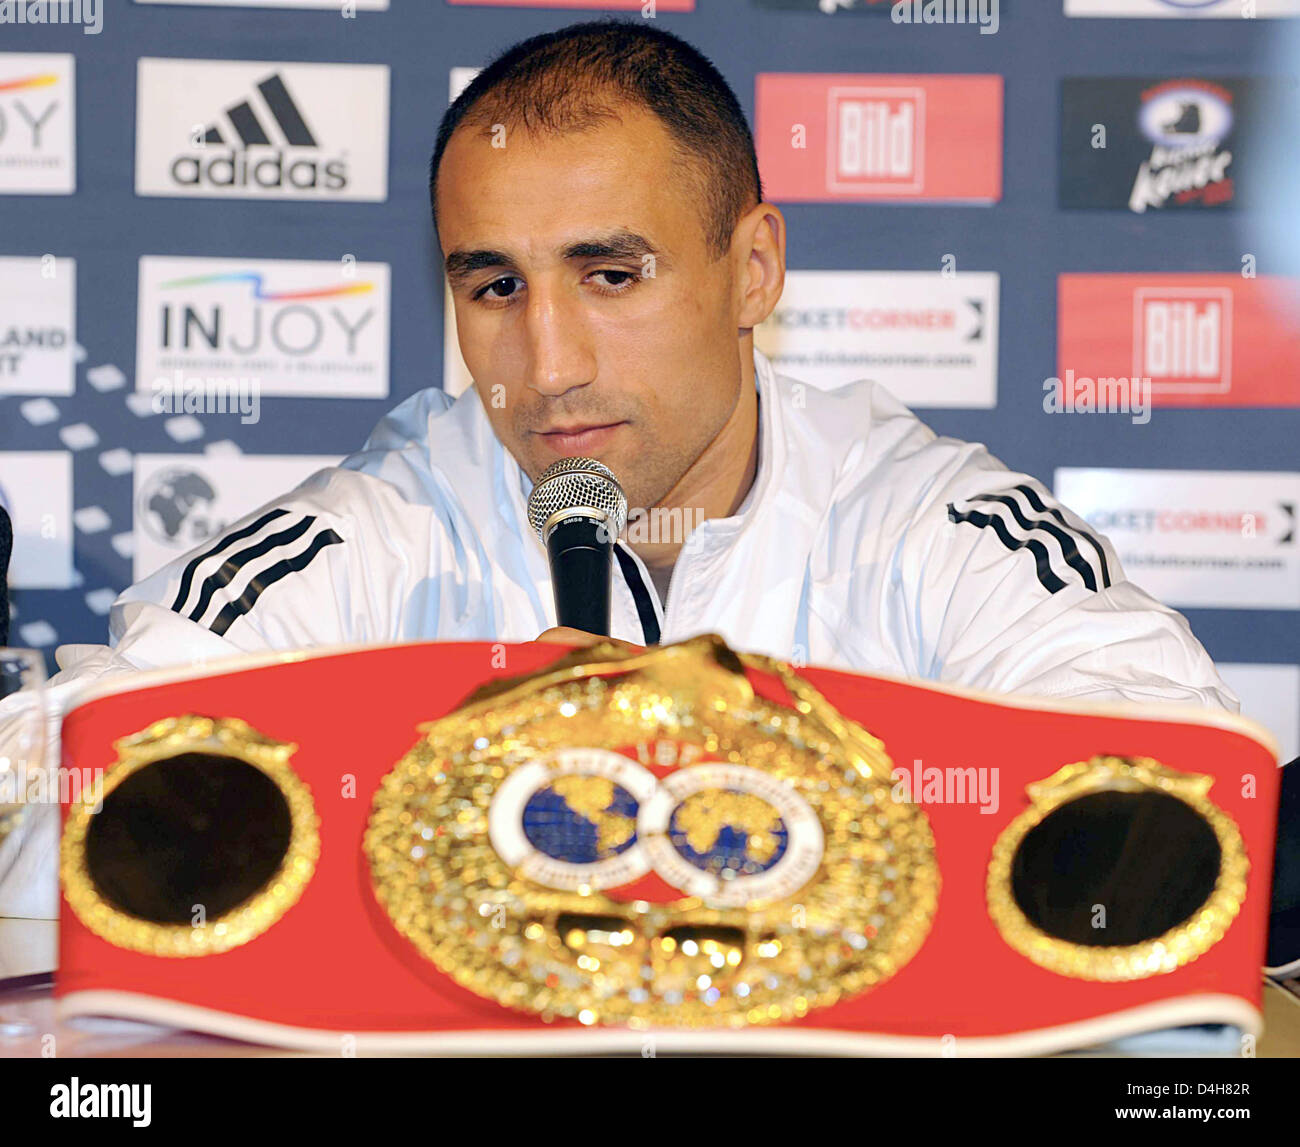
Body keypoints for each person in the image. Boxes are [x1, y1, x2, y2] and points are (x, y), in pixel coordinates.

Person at [0, 20, 1235, 917]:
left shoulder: (915, 513)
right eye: (492, 286)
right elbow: (67, 783)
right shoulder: (388, 518)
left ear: (752, 270)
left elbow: (1170, 786)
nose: (545, 365)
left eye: (609, 275)